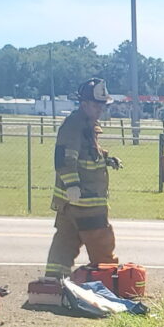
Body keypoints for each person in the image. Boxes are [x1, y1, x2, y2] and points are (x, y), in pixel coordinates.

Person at [41, 77, 120, 282]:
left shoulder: (86, 125)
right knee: (100, 243)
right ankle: (109, 282)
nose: (100, 109)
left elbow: (87, 155)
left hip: (71, 204)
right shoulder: (74, 126)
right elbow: (64, 158)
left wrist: (106, 159)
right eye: (96, 105)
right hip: (86, 202)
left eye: (102, 105)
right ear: (83, 104)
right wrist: (73, 185)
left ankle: (54, 281)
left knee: (65, 242)